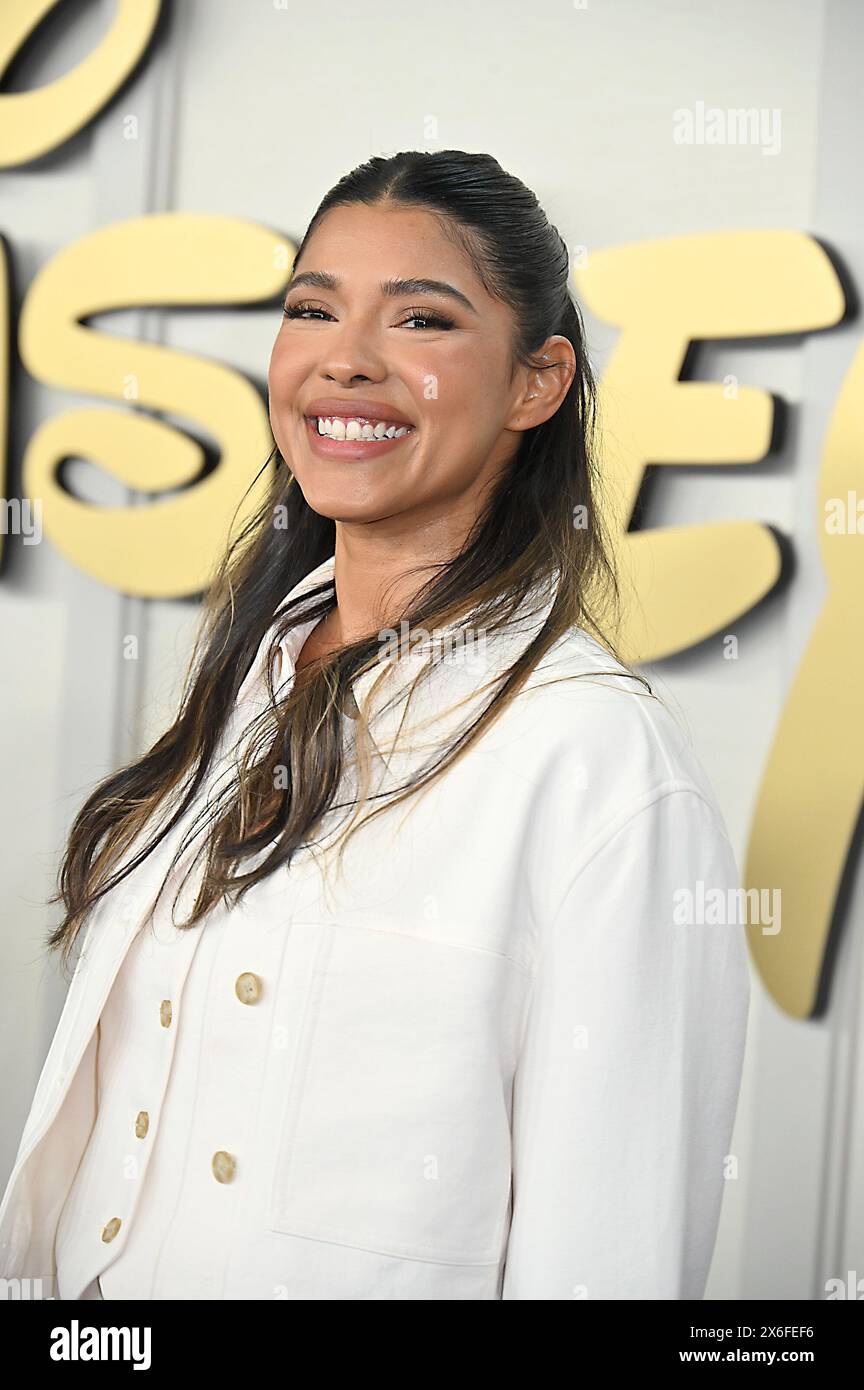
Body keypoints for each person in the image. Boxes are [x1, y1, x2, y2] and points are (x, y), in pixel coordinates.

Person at [0, 149, 749, 1301]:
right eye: (312, 308)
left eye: (422, 320)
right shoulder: (246, 681)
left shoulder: (595, 759)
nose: (344, 359)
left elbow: (611, 1253)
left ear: (535, 383)